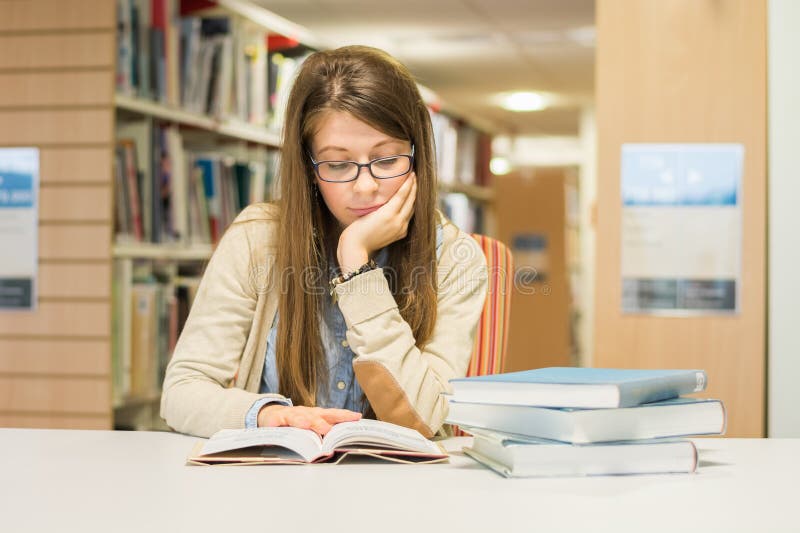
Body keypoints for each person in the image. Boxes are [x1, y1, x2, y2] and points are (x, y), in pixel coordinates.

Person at [160, 45, 488, 439]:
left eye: (387, 161)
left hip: (399, 489)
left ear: (418, 157)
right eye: (337, 164)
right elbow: (182, 393)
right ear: (309, 168)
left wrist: (357, 266)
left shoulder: (455, 256)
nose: (366, 187)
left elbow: (423, 420)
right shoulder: (257, 238)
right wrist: (269, 416)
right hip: (275, 480)